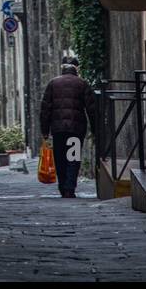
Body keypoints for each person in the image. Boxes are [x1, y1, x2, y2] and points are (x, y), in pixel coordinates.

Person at [40, 59, 96, 197]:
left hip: (58, 129)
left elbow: (45, 109)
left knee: (60, 158)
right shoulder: (82, 84)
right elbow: (92, 109)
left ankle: (62, 186)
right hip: (76, 129)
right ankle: (70, 188)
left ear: (62, 68)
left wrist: (45, 131)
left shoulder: (53, 83)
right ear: (76, 69)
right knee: (73, 158)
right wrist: (95, 128)